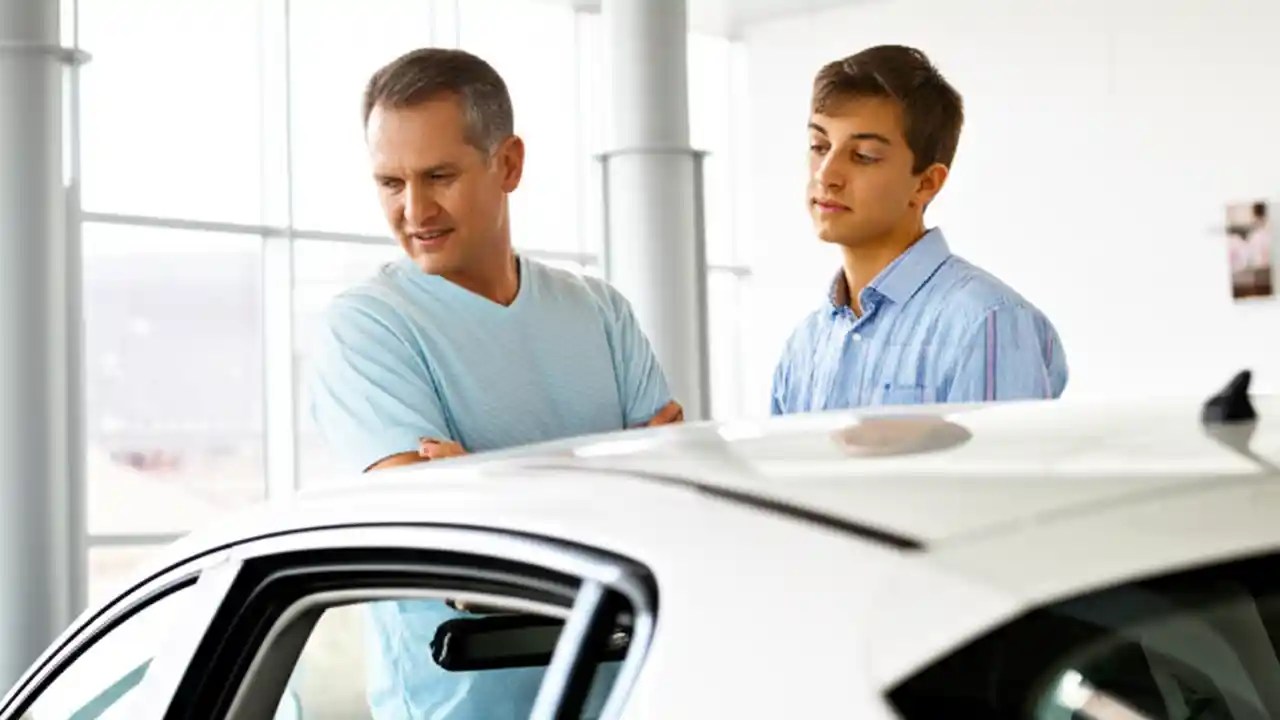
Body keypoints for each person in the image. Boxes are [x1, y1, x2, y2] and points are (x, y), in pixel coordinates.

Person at [307, 48, 681, 719]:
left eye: (439, 175)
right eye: (390, 183)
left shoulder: (600, 312)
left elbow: (675, 512)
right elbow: (451, 549)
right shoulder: (365, 328)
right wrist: (609, 488)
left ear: (507, 164)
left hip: (623, 699)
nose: (414, 209)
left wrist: (490, 486)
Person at [771, 45, 1067, 414]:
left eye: (863, 155)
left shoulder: (987, 324)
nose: (826, 175)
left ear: (926, 183)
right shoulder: (804, 346)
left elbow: (1002, 472)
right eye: (819, 145)